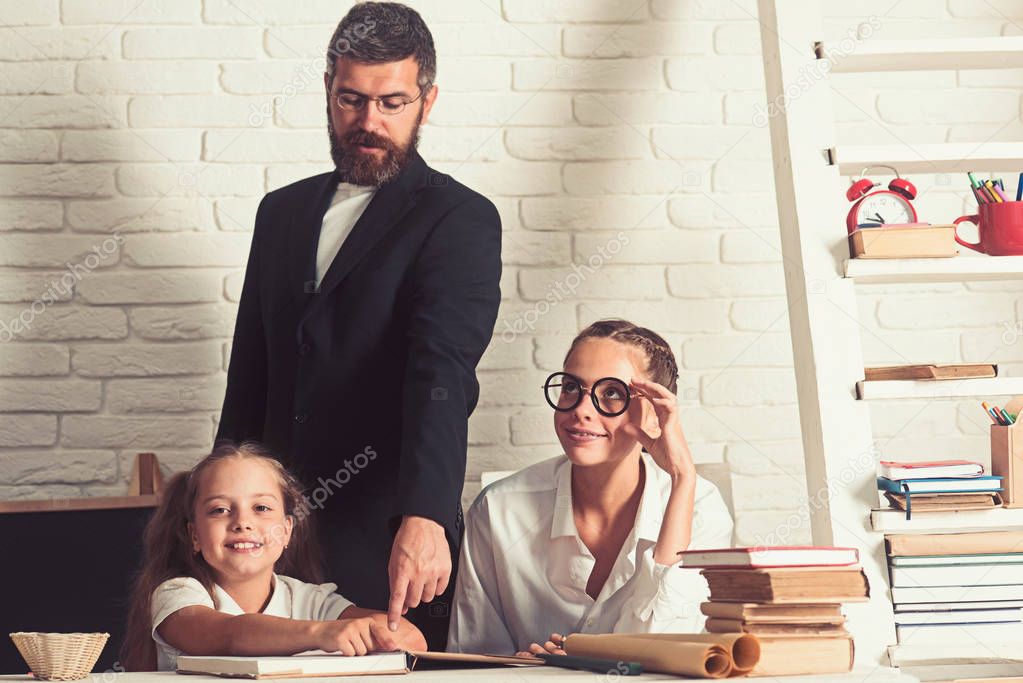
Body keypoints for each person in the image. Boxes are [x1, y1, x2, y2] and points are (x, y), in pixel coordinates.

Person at [214, 2, 501, 650]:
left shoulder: (458, 219)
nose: (368, 122)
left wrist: (426, 514)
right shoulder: (279, 213)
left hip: (383, 541)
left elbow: (441, 370)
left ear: (427, 102)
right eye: (351, 99)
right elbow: (248, 382)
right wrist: (213, 519)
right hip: (264, 546)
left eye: (391, 103)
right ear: (326, 89)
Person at [447, 320, 734, 655]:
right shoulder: (498, 511)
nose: (581, 411)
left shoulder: (700, 506)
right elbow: (474, 660)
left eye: (611, 392)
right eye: (571, 387)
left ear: (656, 413)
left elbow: (669, 647)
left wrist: (683, 475)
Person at [120, 443, 426, 671]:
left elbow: (411, 639)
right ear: (195, 536)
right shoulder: (178, 594)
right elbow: (231, 635)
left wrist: (375, 634)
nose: (243, 522)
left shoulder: (313, 602)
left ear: (288, 530)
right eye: (219, 510)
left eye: (261, 508)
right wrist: (322, 634)